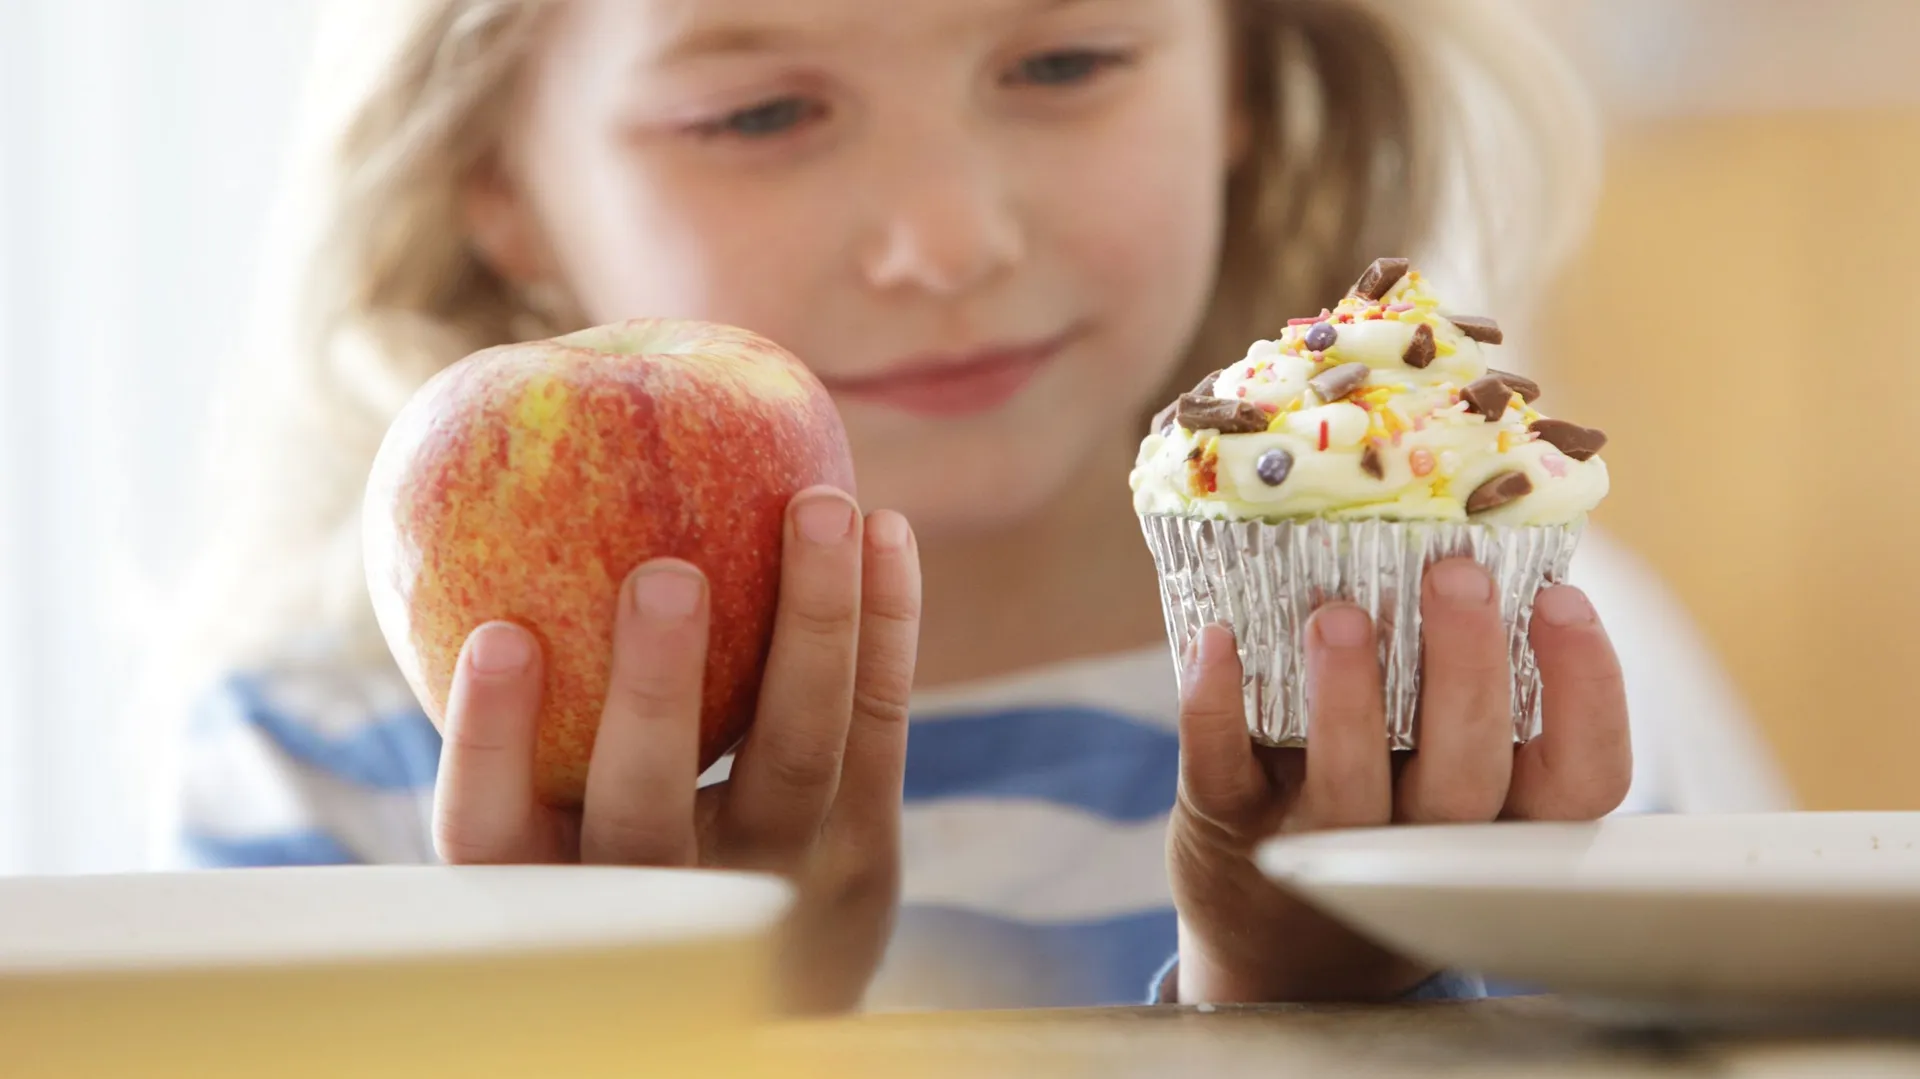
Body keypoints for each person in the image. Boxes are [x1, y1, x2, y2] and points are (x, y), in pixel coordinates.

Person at [152, 0, 1792, 1013]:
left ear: (1247, 77)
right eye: (762, 112)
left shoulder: (1495, 690)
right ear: (495, 185)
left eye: (1065, 58)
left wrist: (1296, 1003)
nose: (944, 238)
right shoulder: (327, 775)